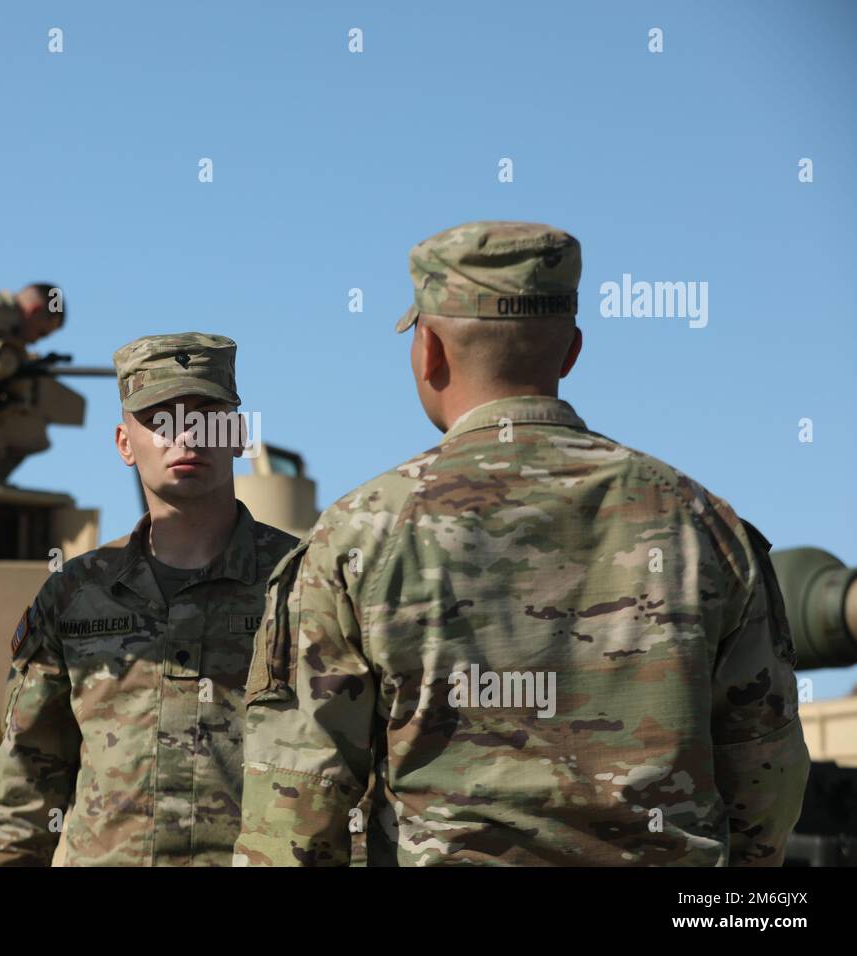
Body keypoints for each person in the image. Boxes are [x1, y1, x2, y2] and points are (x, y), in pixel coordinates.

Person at [234, 221, 809, 866]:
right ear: (571, 352)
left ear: (429, 351)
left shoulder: (360, 531)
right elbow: (765, 771)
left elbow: (300, 796)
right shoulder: (704, 525)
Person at [0, 332, 297, 865]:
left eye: (207, 415)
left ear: (237, 435)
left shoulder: (304, 583)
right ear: (124, 443)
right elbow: (22, 791)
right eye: (161, 418)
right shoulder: (74, 595)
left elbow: (353, 767)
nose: (186, 434)